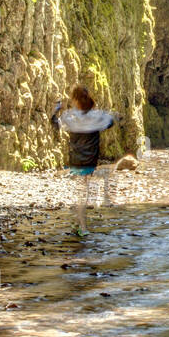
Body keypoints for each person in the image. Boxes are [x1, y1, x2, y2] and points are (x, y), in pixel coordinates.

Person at [52, 86, 118, 235]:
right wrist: (113, 116)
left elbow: (56, 124)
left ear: (75, 100)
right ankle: (80, 223)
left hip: (76, 161)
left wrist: (56, 109)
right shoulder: (96, 116)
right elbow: (110, 122)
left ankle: (81, 226)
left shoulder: (71, 116)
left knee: (81, 192)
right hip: (90, 162)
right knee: (83, 191)